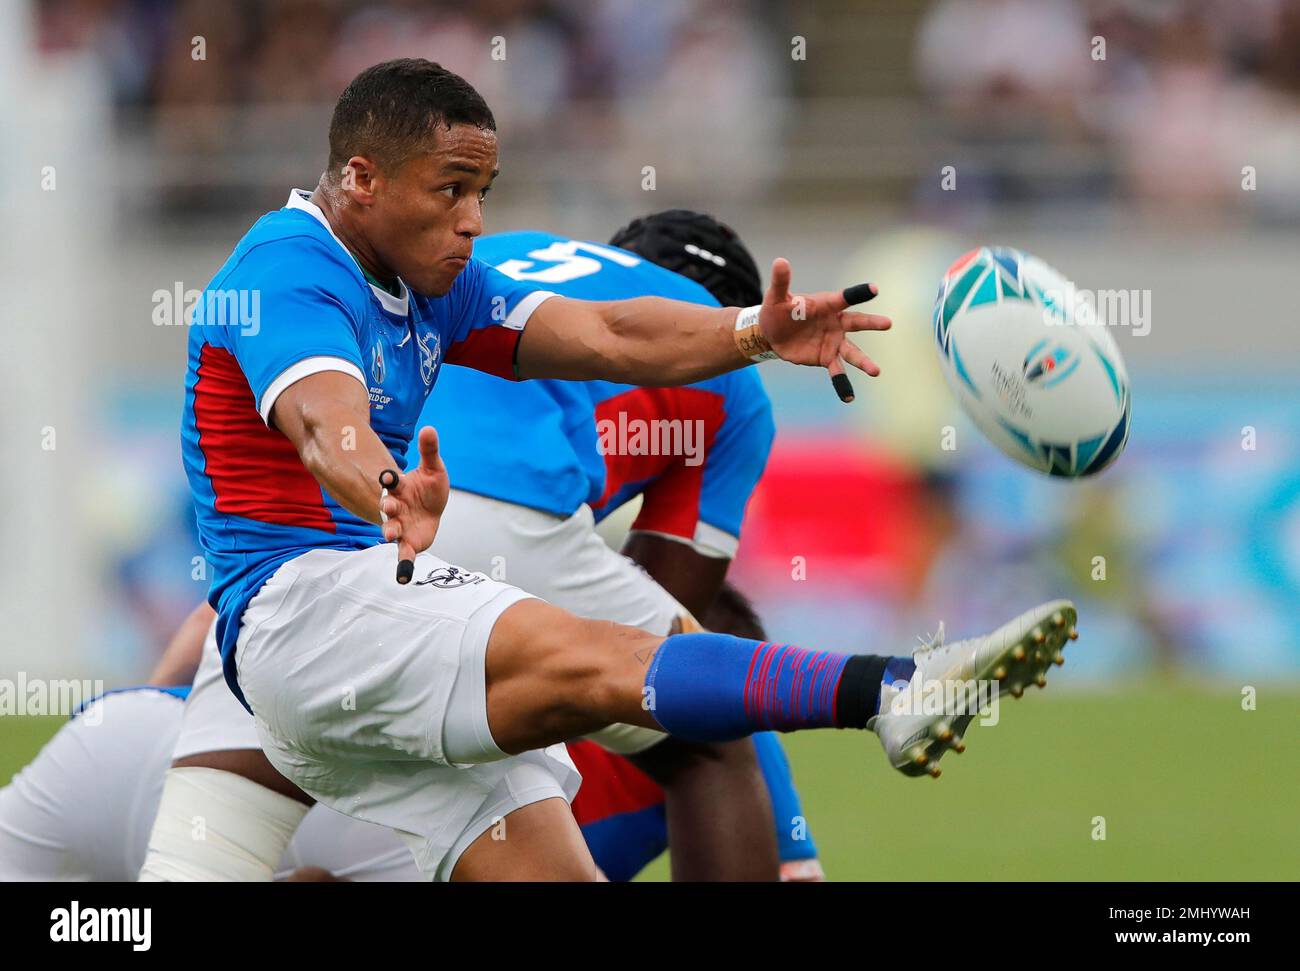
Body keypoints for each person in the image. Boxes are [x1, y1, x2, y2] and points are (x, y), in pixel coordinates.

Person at [142, 58, 1073, 882]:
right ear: (360, 177)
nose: (473, 221)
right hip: (311, 614)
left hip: (333, 652)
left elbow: (604, 332)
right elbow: (324, 422)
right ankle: (891, 688)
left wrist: (753, 332)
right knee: (602, 658)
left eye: (485, 192)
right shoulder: (288, 272)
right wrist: (388, 487)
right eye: (451, 189)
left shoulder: (436, 279)